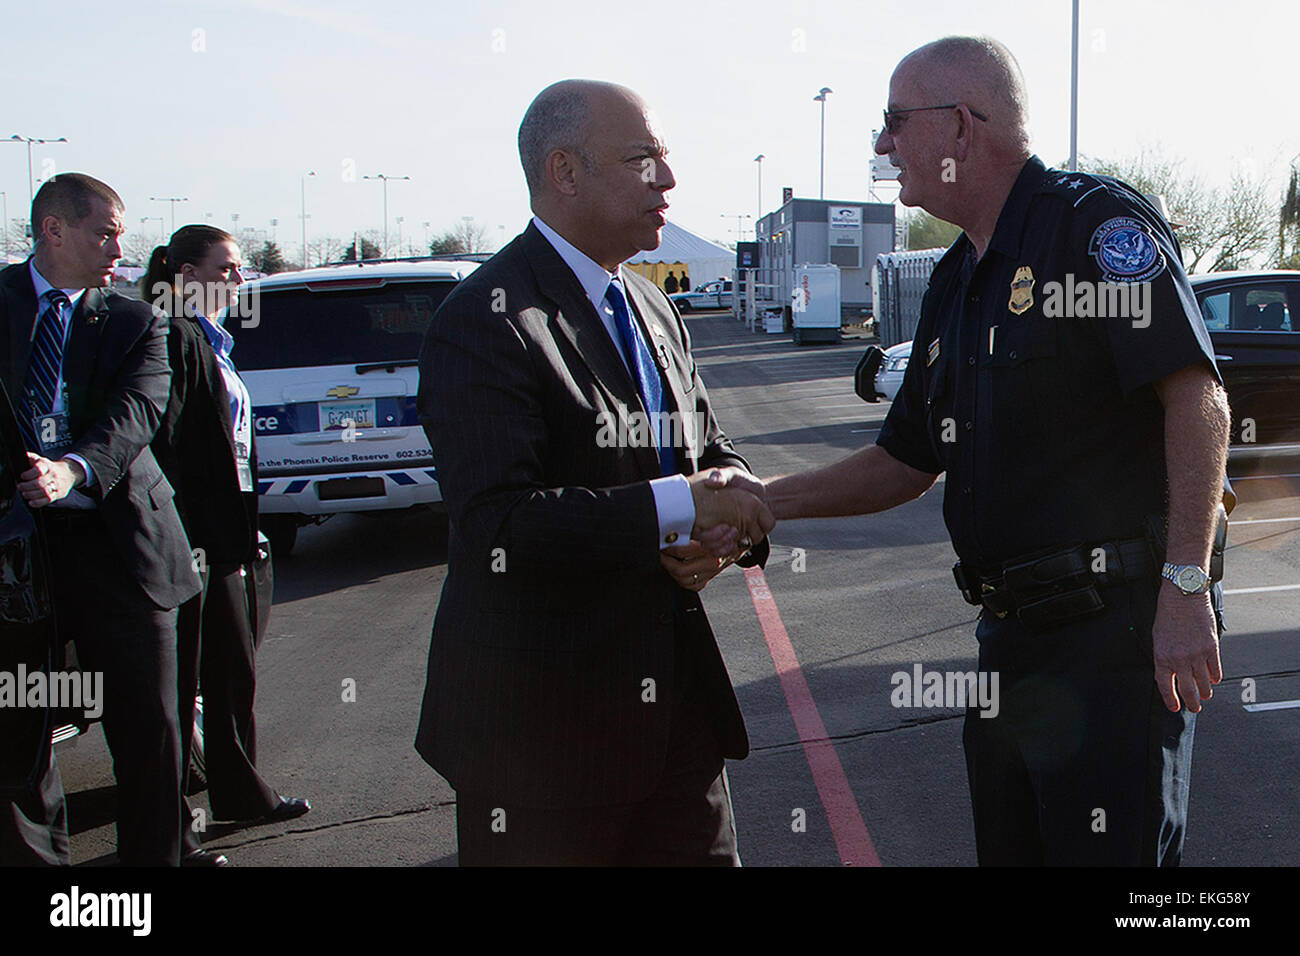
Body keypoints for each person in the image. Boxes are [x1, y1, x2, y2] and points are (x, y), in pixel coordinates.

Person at [760, 36, 1230, 866]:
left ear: (963, 129)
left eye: (894, 122)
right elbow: (903, 462)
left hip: (1111, 643)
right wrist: (765, 500)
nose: (881, 144)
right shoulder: (955, 279)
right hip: (1007, 646)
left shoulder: (1093, 227)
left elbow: (1197, 396)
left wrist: (1185, 587)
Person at [414, 79, 774, 866]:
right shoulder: (485, 320)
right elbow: (498, 524)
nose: (668, 182)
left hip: (676, 724)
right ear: (565, 171)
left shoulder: (652, 307)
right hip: (542, 747)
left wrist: (722, 530)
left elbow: (710, 452)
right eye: (644, 160)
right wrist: (680, 503)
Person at [0, 173, 201, 865]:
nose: (122, 245)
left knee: (148, 732)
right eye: (106, 231)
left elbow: (135, 417)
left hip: (120, 551)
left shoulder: (134, 320)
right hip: (22, 557)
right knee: (19, 733)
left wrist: (71, 470)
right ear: (54, 231)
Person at [143, 226, 310, 856]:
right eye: (229, 268)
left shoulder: (212, 340)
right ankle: (174, 826)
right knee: (180, 683)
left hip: (225, 533)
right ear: (186, 274)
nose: (241, 281)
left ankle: (240, 792)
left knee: (231, 670)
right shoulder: (170, 333)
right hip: (189, 538)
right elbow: (167, 447)